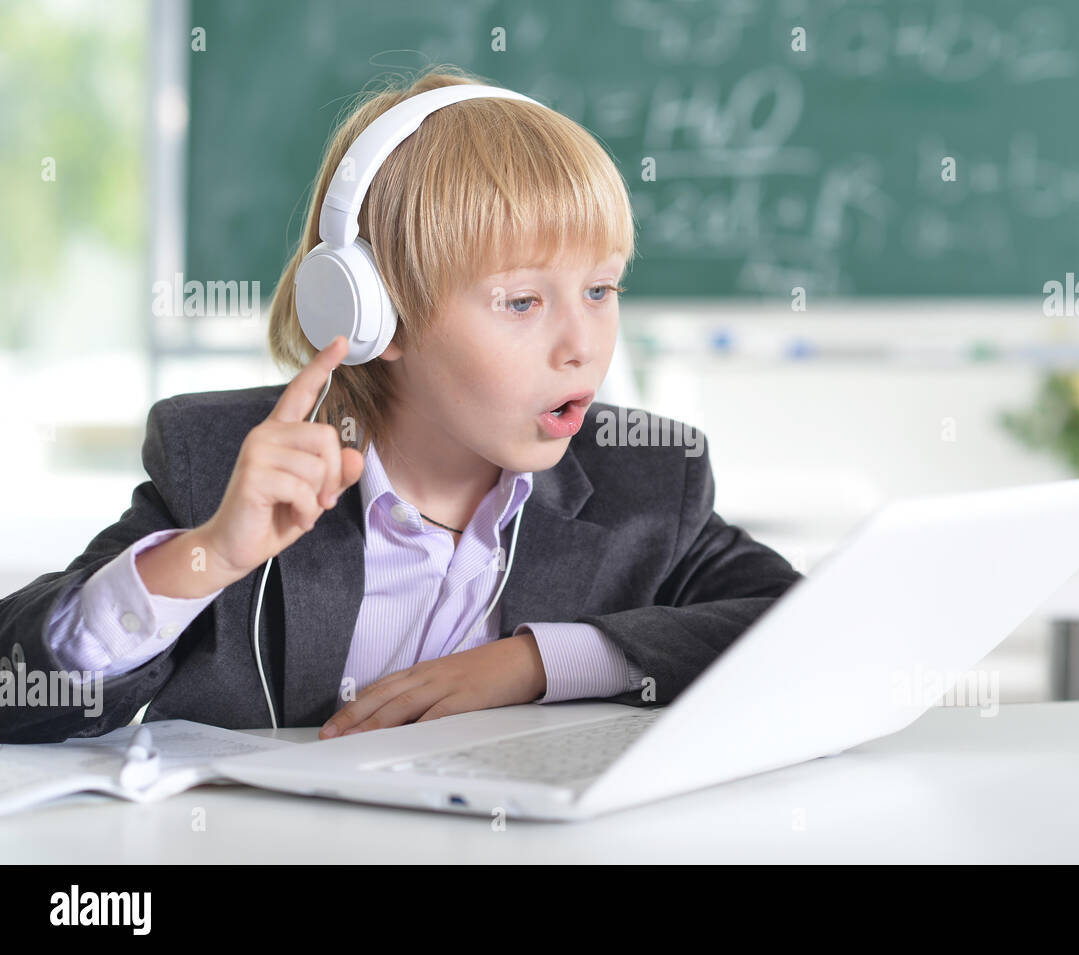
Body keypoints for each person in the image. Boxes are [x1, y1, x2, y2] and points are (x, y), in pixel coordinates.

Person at [0, 67, 801, 744]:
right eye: (522, 301)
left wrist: (538, 662)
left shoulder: (647, 480)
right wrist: (211, 552)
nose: (580, 344)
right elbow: (16, 684)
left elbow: (803, 623)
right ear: (371, 314)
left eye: (600, 289)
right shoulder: (221, 464)